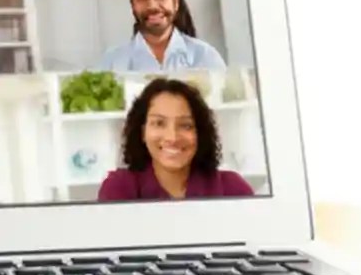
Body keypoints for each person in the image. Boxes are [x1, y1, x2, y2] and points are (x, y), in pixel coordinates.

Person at [98, 78, 253, 201]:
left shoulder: (232, 188)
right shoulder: (118, 188)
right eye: (159, 123)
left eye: (185, 126)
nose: (172, 137)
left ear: (200, 133)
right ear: (142, 131)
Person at [98, 0, 225, 71]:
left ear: (175, 2)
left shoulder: (205, 56)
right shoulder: (112, 62)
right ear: (133, 5)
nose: (152, 6)